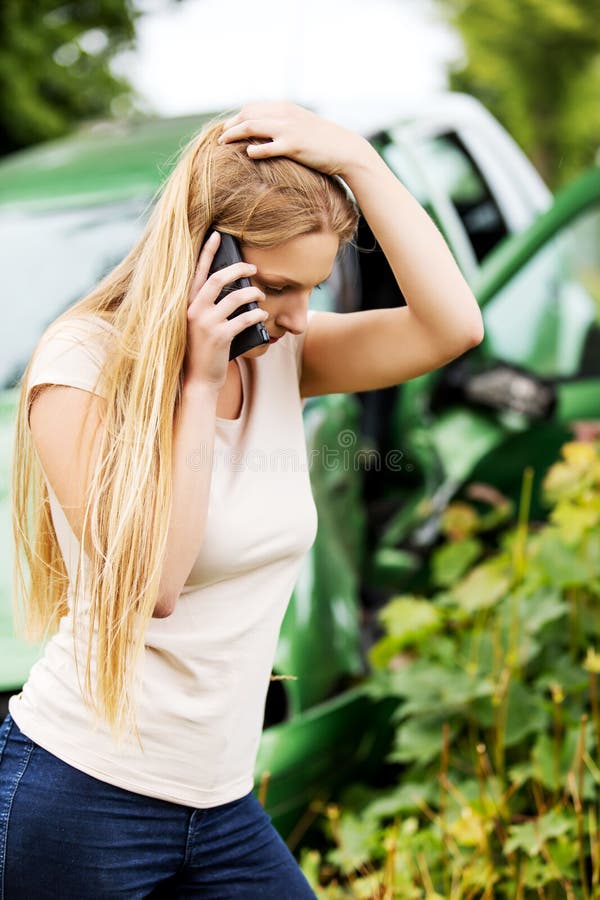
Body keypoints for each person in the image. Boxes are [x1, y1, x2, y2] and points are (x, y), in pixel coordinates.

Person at [1, 101, 484, 898]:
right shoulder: (80, 364)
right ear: (204, 256)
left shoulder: (280, 356)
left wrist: (360, 160)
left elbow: (451, 328)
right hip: (83, 796)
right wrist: (196, 381)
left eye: (314, 287)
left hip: (220, 802)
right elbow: (152, 583)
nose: (298, 315)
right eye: (276, 286)